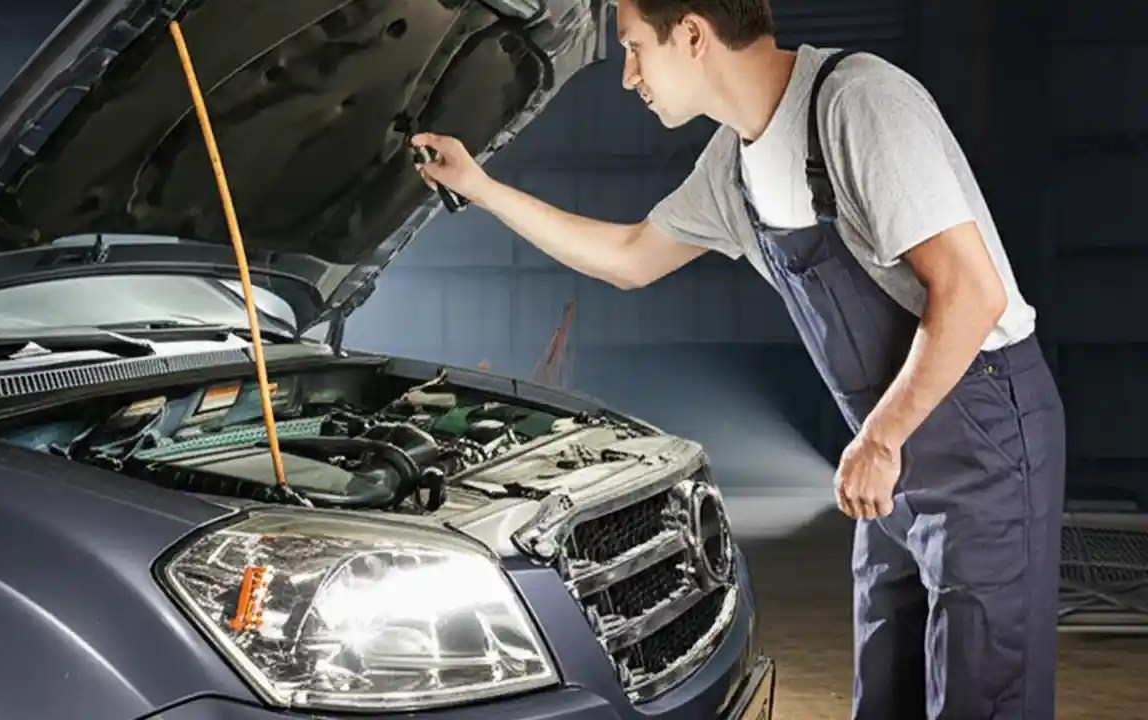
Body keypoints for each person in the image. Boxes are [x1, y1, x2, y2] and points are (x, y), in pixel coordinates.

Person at [412, 0, 1066, 717]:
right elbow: (629, 258)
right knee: (888, 686)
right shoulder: (736, 162)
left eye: (634, 48)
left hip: (982, 433)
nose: (628, 75)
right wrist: (479, 187)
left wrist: (882, 437)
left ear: (691, 34)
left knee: (981, 690)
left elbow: (972, 293)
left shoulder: (857, 102)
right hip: (896, 448)